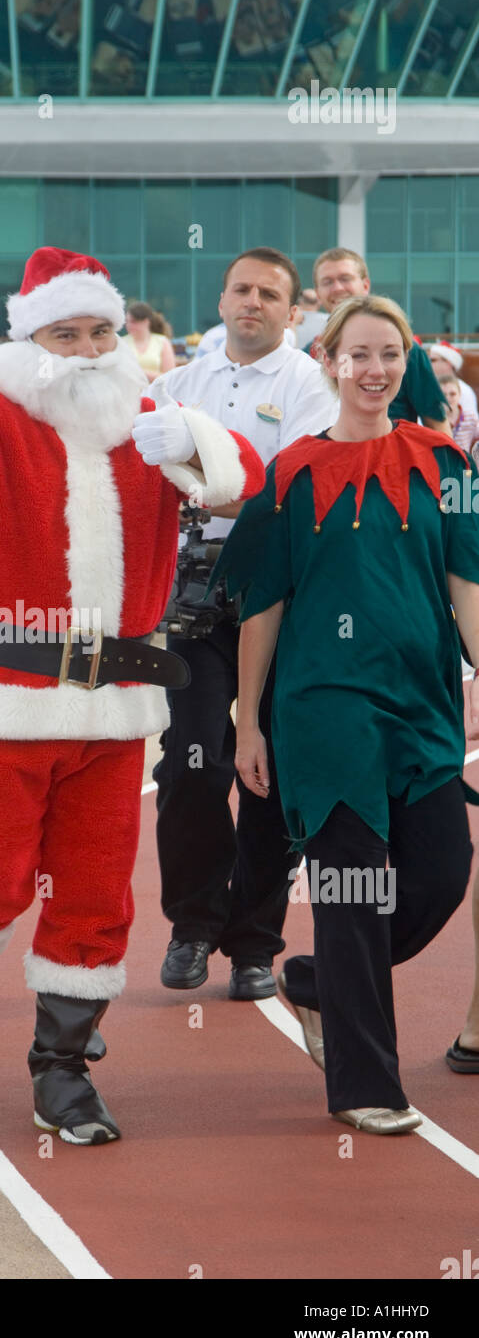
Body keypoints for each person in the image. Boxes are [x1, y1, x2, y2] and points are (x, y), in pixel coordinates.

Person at [0, 245, 263, 1145]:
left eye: (99, 331)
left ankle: (62, 1070)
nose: (86, 350)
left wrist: (199, 445)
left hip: (115, 706)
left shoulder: (151, 420)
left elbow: (243, 480)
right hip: (1, 700)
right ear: (29, 340)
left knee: (94, 896)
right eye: (64, 333)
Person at [216, 294, 479, 1133]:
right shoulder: (289, 472)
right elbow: (263, 607)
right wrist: (247, 723)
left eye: (389, 356)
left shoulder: (448, 467)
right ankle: (366, 1085)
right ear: (328, 360)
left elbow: (466, 589)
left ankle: (315, 984)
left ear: (406, 365)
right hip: (323, 707)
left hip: (423, 702)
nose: (374, 371)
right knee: (350, 889)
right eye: (358, 354)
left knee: (440, 871)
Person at [151, 246, 337, 1000]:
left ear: (293, 313)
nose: (250, 302)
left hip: (282, 585)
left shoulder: (309, 386)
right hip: (195, 585)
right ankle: (193, 925)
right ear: (221, 298)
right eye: (239, 289)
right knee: (192, 758)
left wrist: (202, 486)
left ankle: (253, 943)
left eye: (267, 293)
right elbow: (142, 476)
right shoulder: (175, 384)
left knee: (272, 771)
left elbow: (287, 492)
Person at [311, 248, 452, 436]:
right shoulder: (308, 357)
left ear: (365, 285)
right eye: (327, 282)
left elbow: (437, 424)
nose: (337, 288)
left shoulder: (407, 350)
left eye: (345, 278)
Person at [123, 302, 176, 381]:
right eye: (127, 321)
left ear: (146, 321)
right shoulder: (121, 342)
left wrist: (141, 374)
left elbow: (170, 376)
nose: (129, 325)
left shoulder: (162, 342)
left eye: (134, 322)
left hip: (156, 391)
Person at [428, 341, 479, 417]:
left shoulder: (464, 390)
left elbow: (471, 424)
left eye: (433, 360)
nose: (428, 364)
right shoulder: (428, 387)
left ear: (448, 363)